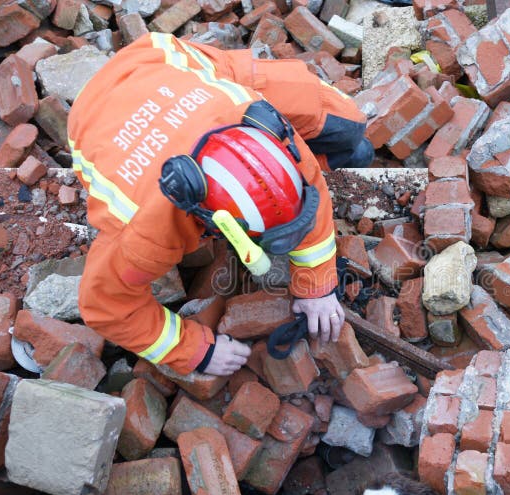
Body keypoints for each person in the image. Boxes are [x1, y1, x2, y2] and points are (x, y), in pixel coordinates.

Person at [67, 32, 373, 377]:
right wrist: (195, 350)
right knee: (355, 150)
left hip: (160, 60)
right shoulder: (147, 230)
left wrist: (317, 287)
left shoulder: (261, 122)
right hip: (93, 115)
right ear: (205, 218)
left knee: (350, 129)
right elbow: (105, 305)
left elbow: (309, 182)